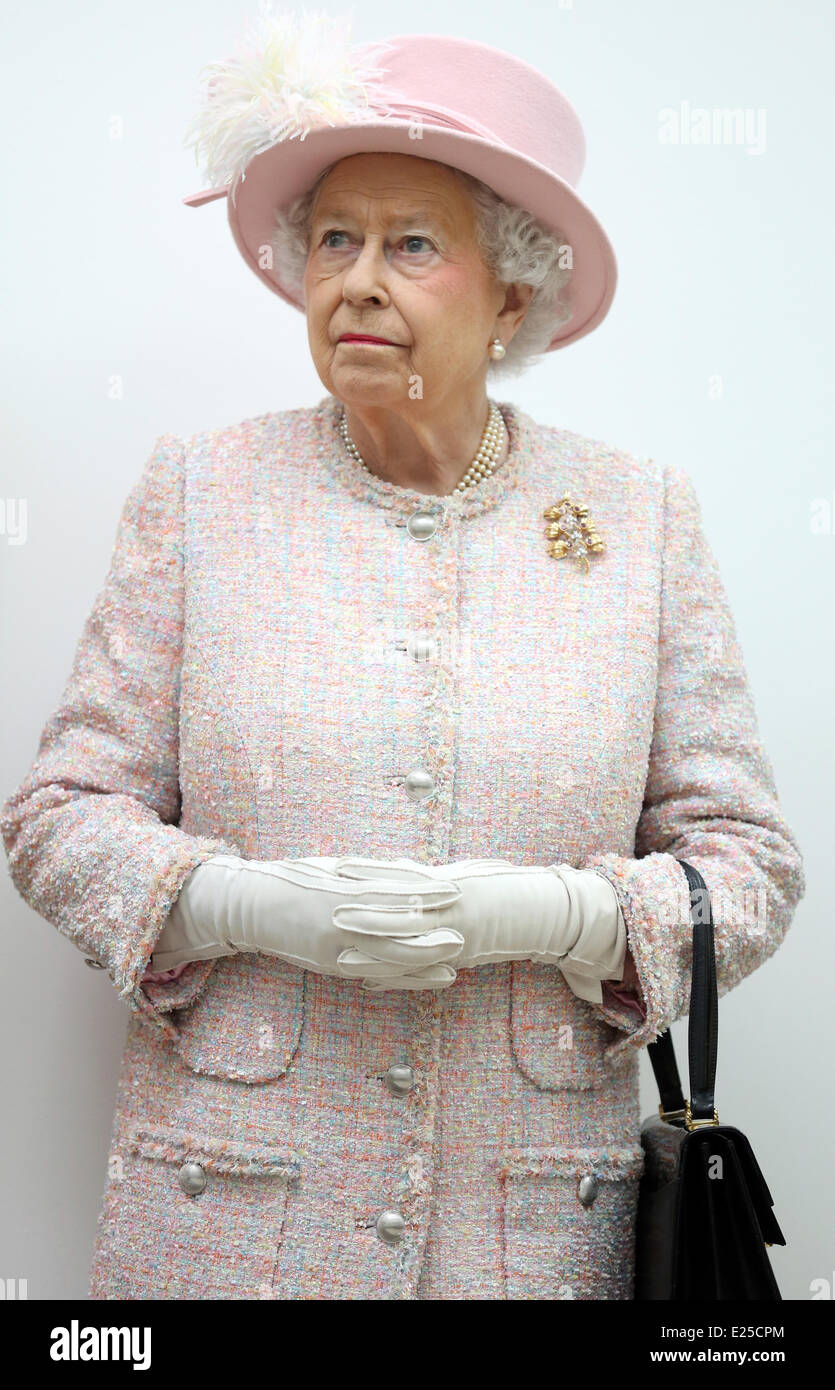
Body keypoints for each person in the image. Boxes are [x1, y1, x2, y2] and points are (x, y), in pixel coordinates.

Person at [1, 13, 805, 1301]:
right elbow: (59, 816)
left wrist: (556, 918)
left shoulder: (639, 516)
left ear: (512, 297)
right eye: (336, 239)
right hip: (229, 1219)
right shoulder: (202, 493)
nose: (359, 281)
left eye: (413, 245)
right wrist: (242, 905)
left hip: (534, 1236)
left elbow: (747, 866)